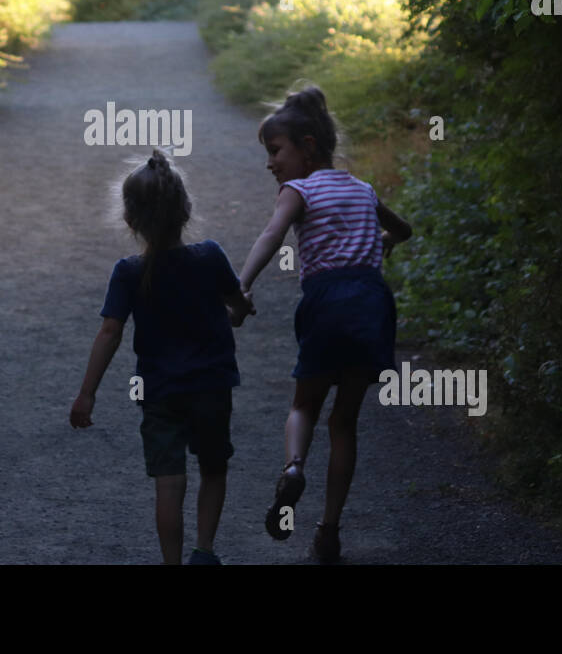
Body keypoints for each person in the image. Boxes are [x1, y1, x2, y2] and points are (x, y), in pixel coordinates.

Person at [236, 85, 412, 563]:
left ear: (307, 145)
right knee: (345, 422)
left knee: (304, 405)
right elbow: (403, 229)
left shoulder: (299, 189)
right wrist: (382, 244)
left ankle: (293, 468)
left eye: (275, 152)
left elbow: (272, 235)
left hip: (327, 301)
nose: (271, 163)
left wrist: (242, 286)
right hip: (372, 303)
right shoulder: (362, 188)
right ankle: (329, 530)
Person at [71, 149, 254, 565]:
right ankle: (204, 550)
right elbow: (236, 304)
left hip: (159, 392)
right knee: (213, 468)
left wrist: (87, 394)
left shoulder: (128, 271)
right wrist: (240, 311)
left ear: (130, 219)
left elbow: (109, 332)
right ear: (185, 210)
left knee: (169, 485)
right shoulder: (210, 256)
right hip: (211, 386)